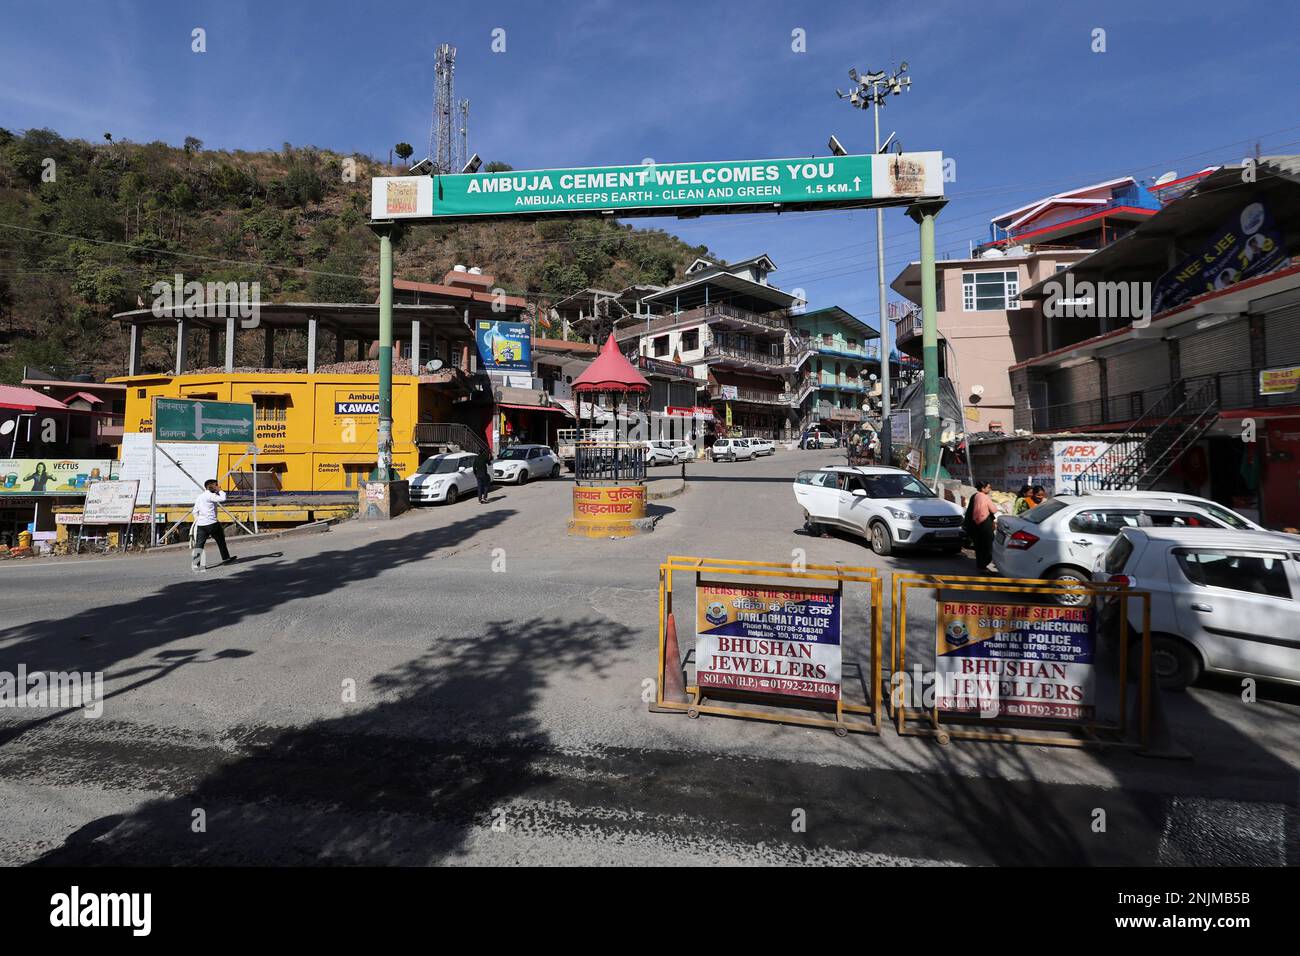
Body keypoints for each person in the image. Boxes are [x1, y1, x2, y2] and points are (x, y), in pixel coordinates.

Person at [191, 479, 236, 566]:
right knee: (221, 541)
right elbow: (223, 498)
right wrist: (220, 490)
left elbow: (195, 511)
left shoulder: (199, 497)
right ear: (209, 486)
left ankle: (197, 563)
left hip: (201, 524)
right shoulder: (210, 495)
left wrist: (198, 521)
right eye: (216, 485)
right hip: (212, 523)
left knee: (199, 544)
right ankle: (226, 558)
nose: (217, 486)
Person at [963, 480, 997, 573]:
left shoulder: (975, 496)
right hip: (985, 524)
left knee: (979, 545)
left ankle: (981, 565)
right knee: (988, 546)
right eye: (989, 487)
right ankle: (984, 564)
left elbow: (970, 511)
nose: (990, 489)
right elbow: (993, 510)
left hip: (975, 524)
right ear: (983, 488)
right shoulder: (985, 497)